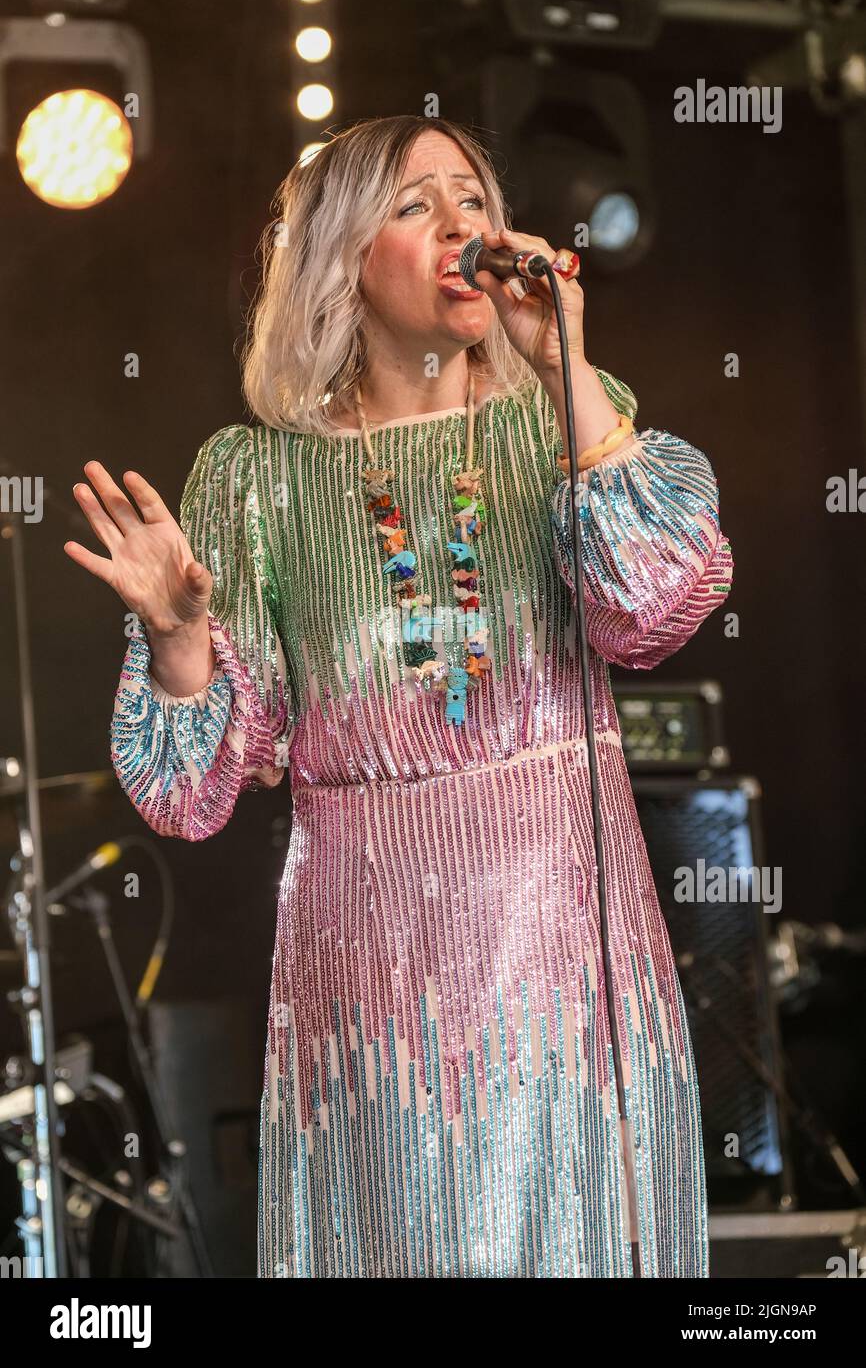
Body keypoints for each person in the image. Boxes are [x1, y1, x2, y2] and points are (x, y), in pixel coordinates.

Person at [65, 114, 733, 1278]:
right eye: (416, 205)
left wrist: (563, 362)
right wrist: (177, 639)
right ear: (339, 260)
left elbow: (660, 604)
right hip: (371, 971)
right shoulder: (254, 473)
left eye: (472, 197)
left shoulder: (560, 419)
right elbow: (194, 794)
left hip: (566, 947)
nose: (462, 225)